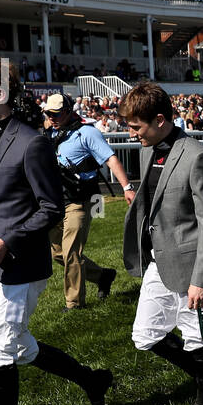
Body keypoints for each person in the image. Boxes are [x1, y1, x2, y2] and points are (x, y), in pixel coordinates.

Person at [0, 59, 113, 405]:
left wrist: (6, 241)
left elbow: (51, 208)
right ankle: (93, 380)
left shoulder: (32, 142)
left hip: (24, 262)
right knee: (19, 346)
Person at [121, 83, 203, 405]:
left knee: (199, 340)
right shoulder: (148, 150)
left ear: (160, 120)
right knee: (145, 336)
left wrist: (201, 278)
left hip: (191, 268)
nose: (131, 134)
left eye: (136, 127)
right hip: (157, 263)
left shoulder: (196, 155)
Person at [42, 93, 134, 311]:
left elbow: (110, 158)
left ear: (68, 111)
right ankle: (103, 275)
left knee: (72, 251)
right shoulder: (48, 133)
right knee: (58, 253)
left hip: (81, 200)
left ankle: (74, 304)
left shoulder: (87, 132)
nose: (51, 118)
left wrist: (127, 187)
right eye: (48, 113)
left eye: (55, 114)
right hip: (55, 201)